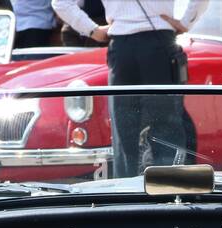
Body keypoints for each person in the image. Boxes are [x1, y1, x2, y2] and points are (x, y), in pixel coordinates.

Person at [52, 1, 208, 177]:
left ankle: (126, 193)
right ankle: (169, 193)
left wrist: (93, 30)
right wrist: (186, 22)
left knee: (124, 130)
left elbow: (61, 3)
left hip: (122, 47)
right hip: (160, 43)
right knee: (166, 126)